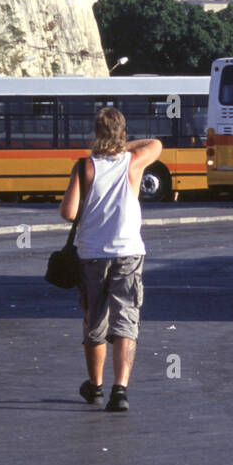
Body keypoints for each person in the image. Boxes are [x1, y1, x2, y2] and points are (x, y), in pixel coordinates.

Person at [60, 108, 161, 413]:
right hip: (129, 251)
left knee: (95, 320)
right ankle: (121, 389)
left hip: (92, 254)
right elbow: (156, 143)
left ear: (95, 132)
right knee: (126, 319)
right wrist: (123, 146)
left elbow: (68, 212)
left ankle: (95, 387)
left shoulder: (84, 167)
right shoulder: (133, 162)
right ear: (123, 133)